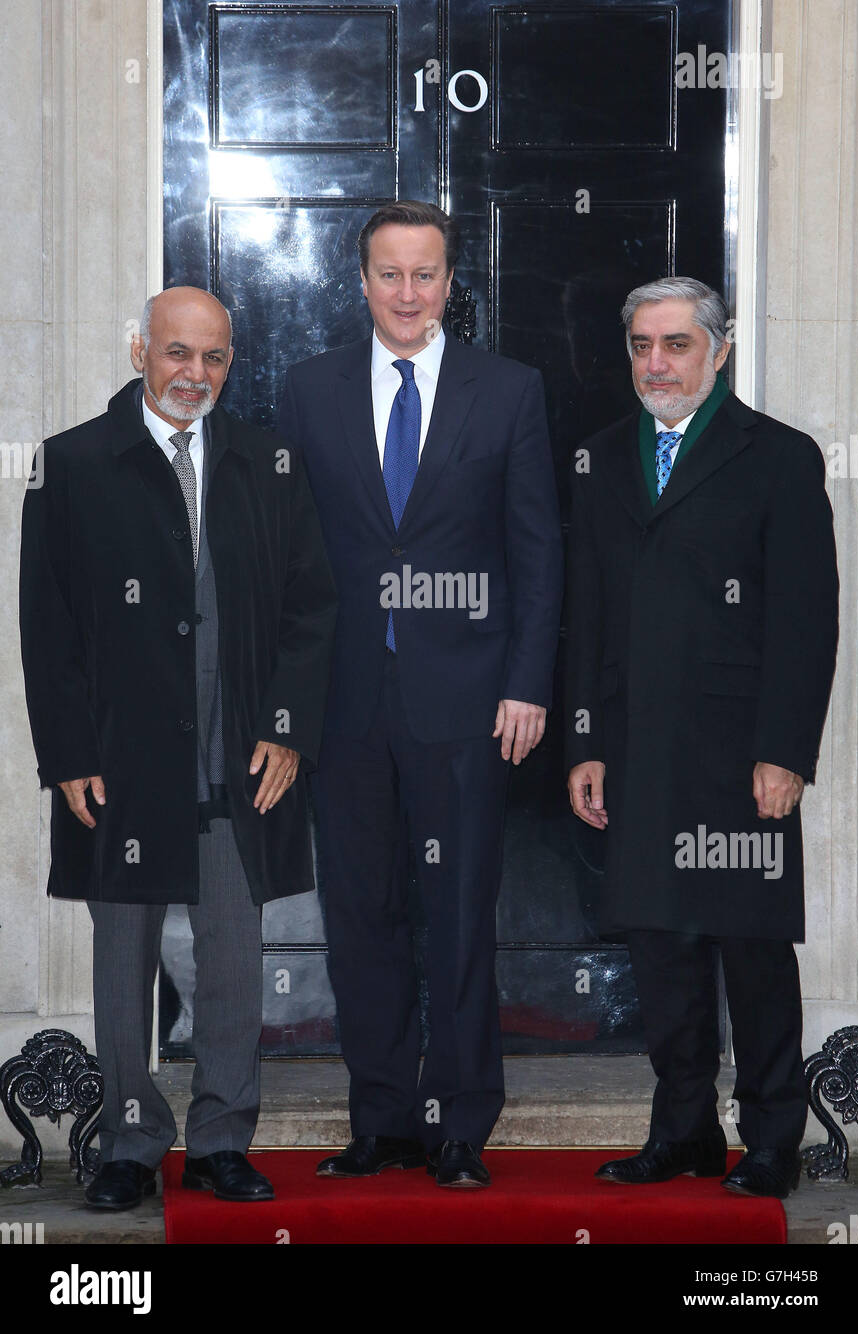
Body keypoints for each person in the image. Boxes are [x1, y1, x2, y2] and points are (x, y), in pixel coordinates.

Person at [19, 287, 337, 1210]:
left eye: (215, 358)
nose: (195, 375)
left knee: (236, 957)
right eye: (177, 354)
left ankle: (221, 1141)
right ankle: (127, 1143)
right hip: (116, 769)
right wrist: (68, 753)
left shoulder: (270, 463)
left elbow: (313, 609)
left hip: (239, 765)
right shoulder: (72, 464)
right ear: (139, 352)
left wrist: (286, 728)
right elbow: (48, 626)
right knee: (123, 959)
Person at [280, 202, 563, 1187]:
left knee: (457, 915)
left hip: (469, 701)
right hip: (344, 704)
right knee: (359, 917)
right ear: (360, 282)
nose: (408, 293)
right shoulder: (307, 392)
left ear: (452, 283)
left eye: (426, 274)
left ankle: (458, 1129)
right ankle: (384, 1119)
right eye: (390, 274)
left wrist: (528, 683)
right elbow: (288, 561)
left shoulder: (509, 391)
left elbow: (537, 550)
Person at [565, 276, 838, 1199]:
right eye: (642, 344)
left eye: (676, 345)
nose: (656, 363)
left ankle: (771, 1140)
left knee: (753, 955)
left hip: (740, 761)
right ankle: (681, 1132)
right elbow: (586, 615)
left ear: (719, 352)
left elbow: (807, 624)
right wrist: (585, 744)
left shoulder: (780, 457)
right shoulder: (601, 460)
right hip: (638, 757)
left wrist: (785, 754)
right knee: (662, 953)